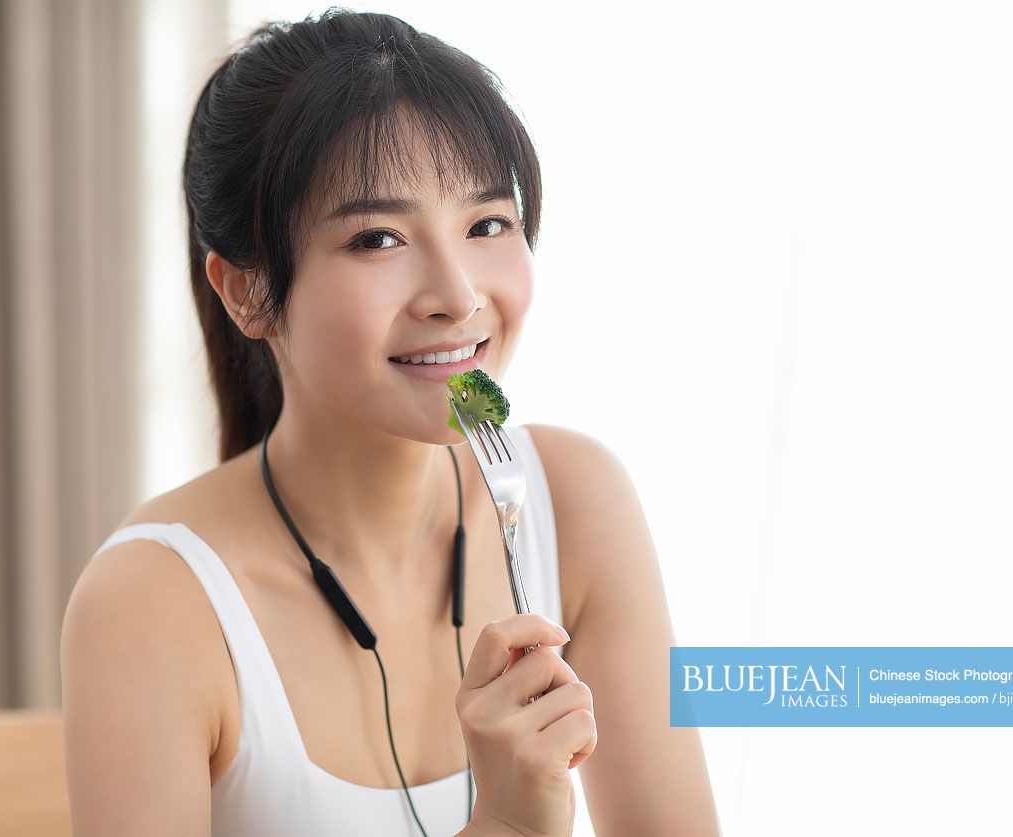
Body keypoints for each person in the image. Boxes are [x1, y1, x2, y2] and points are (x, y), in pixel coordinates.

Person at [60, 8, 720, 836]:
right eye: (376, 237)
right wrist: (505, 827)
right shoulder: (151, 604)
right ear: (246, 291)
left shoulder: (575, 500)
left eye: (486, 224)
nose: (458, 295)